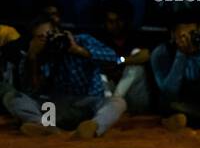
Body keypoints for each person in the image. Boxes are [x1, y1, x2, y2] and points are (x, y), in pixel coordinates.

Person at [3, 10, 126, 138]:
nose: (48, 40)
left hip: (88, 105)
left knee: (118, 102)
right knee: (13, 97)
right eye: (41, 37)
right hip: (54, 108)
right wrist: (33, 58)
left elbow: (113, 58)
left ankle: (93, 127)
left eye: (50, 34)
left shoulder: (81, 41)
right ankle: (44, 126)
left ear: (58, 31)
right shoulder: (36, 55)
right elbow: (31, 91)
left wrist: (78, 50)